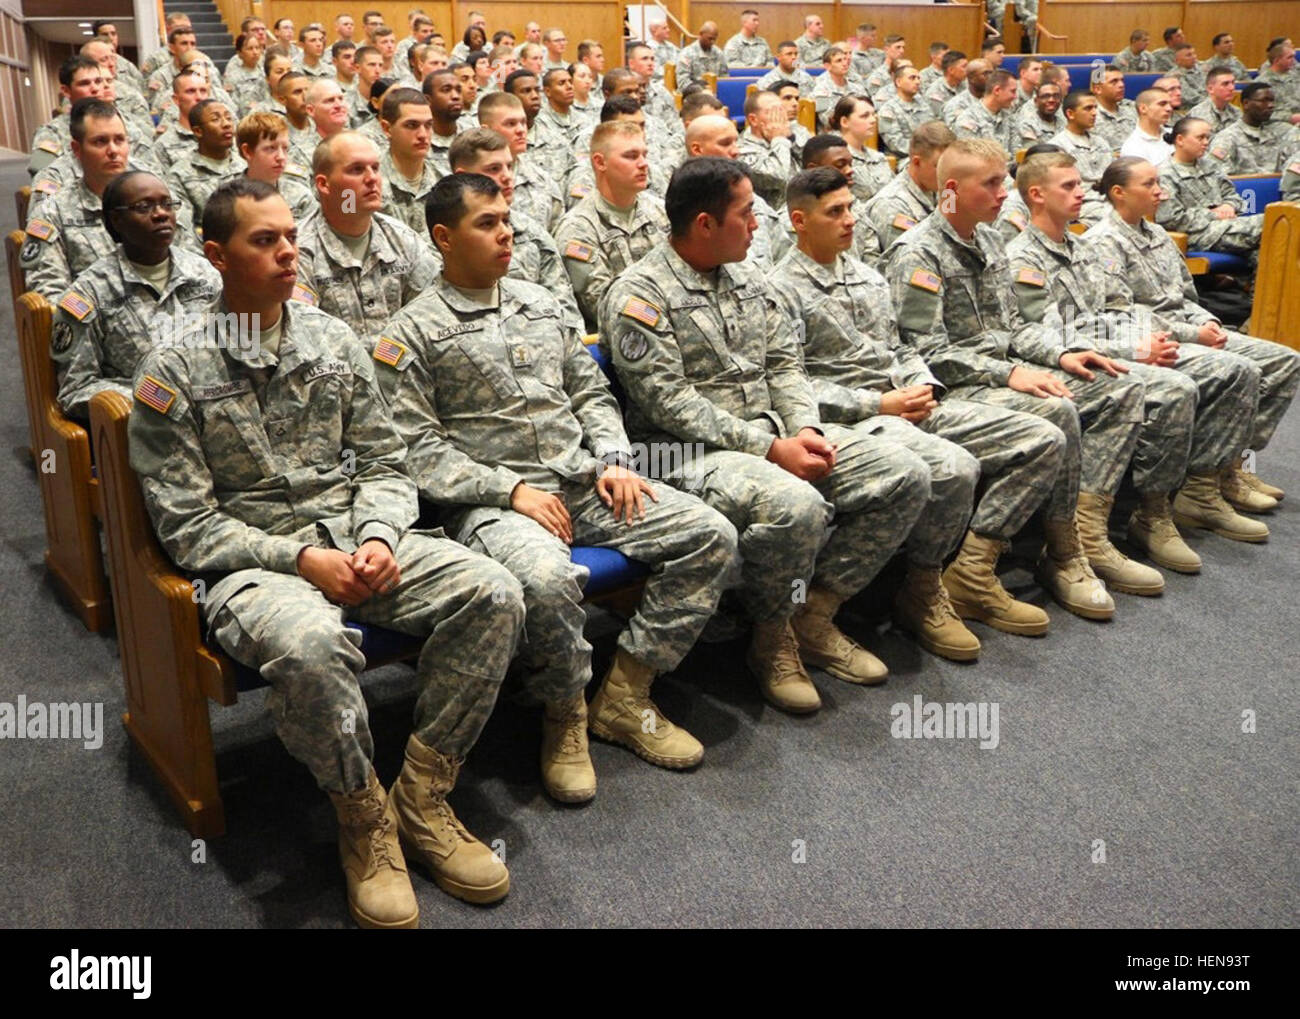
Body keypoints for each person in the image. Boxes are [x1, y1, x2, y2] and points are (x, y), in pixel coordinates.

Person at [129, 177, 527, 927]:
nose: (289, 251)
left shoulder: (331, 338)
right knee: (314, 643)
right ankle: (363, 817)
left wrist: (378, 534)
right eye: (265, 240)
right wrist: (299, 560)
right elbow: (188, 527)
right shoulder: (172, 370)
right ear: (215, 255)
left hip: (356, 536)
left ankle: (423, 796)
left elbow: (384, 462)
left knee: (493, 591)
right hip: (253, 566)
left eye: (290, 236)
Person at [375, 172, 738, 794]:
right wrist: (508, 491)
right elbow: (416, 450)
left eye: (507, 219)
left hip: (581, 480)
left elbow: (591, 393)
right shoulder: (407, 334)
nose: (506, 232)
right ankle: (564, 711)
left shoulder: (540, 305)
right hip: (493, 504)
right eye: (486, 224)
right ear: (442, 237)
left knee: (709, 534)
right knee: (546, 581)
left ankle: (626, 692)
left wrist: (616, 459)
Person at [602, 158, 932, 711]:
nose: (759, 224)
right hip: (677, 452)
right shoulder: (641, 294)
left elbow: (786, 366)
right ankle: (771, 634)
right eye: (747, 212)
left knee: (904, 474)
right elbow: (668, 403)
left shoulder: (751, 276)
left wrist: (804, 428)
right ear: (705, 224)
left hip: (775, 432)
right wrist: (770, 447)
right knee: (795, 505)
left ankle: (812, 613)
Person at [770, 168, 1067, 657]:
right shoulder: (779, 290)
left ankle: (964, 575)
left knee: (1042, 438)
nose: (850, 219)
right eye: (835, 212)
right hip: (853, 418)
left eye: (851, 207)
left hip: (908, 402)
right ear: (800, 221)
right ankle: (831, 605)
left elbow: (900, 347)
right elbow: (790, 383)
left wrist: (921, 379)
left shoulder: (866, 276)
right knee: (955, 468)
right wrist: (878, 402)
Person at [882, 138, 1146, 621]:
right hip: (956, 388)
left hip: (1003, 374)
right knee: (1057, 414)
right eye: (993, 183)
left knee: (1119, 387)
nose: (1005, 193)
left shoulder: (988, 239)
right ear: (954, 190)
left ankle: (1081, 538)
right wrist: (1010, 372)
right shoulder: (917, 254)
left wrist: (1062, 353)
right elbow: (924, 353)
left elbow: (1019, 326)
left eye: (1005, 180)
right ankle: (985, 570)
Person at [1007, 152, 1218, 585]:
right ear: (1036, 195)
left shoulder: (1083, 248)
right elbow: (1051, 332)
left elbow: (1117, 307)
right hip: (1051, 360)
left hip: (1105, 349)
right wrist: (1133, 350)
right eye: (1068, 186)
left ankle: (1154, 512)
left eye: (1079, 183)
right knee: (1164, 388)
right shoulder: (1022, 258)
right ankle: (1088, 534)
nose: (1081, 191)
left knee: (1180, 384)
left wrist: (1147, 339)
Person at [1083, 157, 1299, 520]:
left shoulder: (1157, 235)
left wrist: (1209, 322)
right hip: (1151, 336)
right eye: (1150, 184)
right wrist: (1191, 333)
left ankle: (1227, 466)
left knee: (1284, 359)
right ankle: (1199, 487)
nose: (1160, 191)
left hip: (1189, 326)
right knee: (1239, 370)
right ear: (1119, 193)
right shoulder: (1101, 242)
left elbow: (1187, 295)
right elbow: (1121, 312)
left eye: (1158, 183)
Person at [52, 171, 221, 422]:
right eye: (144, 207)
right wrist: (160, 400)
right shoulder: (89, 294)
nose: (161, 213)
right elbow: (76, 388)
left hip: (217, 411)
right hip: (146, 429)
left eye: (167, 204)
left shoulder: (204, 272)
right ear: (117, 219)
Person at [24, 99, 199, 303]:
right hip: (99, 325)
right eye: (100, 141)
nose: (113, 150)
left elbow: (193, 261)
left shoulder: (159, 200)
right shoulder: (53, 213)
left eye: (119, 140)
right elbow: (48, 292)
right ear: (77, 150)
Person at [294, 132, 439, 340]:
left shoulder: (404, 240)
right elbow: (304, 334)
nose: (372, 178)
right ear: (324, 184)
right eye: (356, 170)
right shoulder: (298, 249)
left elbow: (431, 316)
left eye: (375, 168)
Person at [447, 129, 584, 333]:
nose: (507, 177)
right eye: (494, 168)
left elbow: (565, 309)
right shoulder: (445, 242)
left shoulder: (533, 234)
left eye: (509, 166)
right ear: (463, 177)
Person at [555, 120, 669, 330]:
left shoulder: (662, 211)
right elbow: (604, 306)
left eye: (644, 154)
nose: (644, 163)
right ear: (600, 163)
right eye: (631, 156)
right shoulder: (578, 229)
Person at [1157, 118, 1263, 257]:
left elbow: (1232, 195)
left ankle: (1247, 279)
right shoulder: (1164, 174)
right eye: (1200, 138)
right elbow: (1171, 219)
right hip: (1195, 236)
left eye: (1207, 137)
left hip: (1226, 226)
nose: (1206, 143)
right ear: (1180, 139)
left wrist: (1229, 206)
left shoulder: (1210, 165)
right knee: (1270, 226)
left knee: (1269, 246)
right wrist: (1214, 214)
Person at [863, 120, 954, 250]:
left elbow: (955, 231)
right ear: (917, 162)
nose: (948, 173)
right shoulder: (890, 205)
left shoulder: (946, 190)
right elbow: (905, 261)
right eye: (940, 166)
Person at [165, 99, 243, 226]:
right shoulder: (179, 175)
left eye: (229, 118)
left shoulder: (246, 165)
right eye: (215, 119)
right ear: (198, 131)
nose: (226, 124)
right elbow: (185, 229)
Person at [376, 88, 439, 241]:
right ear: (386, 128)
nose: (423, 135)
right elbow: (345, 219)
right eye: (412, 125)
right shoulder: (363, 181)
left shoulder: (444, 180)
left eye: (428, 125)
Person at [236, 111, 316, 219]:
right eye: (270, 148)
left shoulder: (301, 196)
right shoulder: (228, 199)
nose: (281, 157)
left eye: (285, 148)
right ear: (247, 151)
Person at [1049, 92, 1111, 225]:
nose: (1094, 113)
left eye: (1095, 108)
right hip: (1081, 204)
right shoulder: (1058, 146)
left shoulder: (1101, 142)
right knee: (1115, 218)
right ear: (1070, 114)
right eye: (1088, 108)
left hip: (1108, 200)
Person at [1206, 84, 1296, 174]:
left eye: (1272, 101)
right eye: (1263, 101)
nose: (1270, 105)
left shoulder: (1279, 132)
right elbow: (1219, 176)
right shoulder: (1227, 137)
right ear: (1246, 104)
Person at [737, 88, 796, 210]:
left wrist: (791, 138)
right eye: (773, 112)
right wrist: (779, 140)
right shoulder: (741, 151)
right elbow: (779, 178)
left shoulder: (790, 131)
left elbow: (812, 162)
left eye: (781, 111)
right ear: (753, 120)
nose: (781, 117)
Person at [826, 96, 891, 204]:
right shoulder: (835, 160)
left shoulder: (879, 157)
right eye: (865, 116)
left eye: (873, 114)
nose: (873, 120)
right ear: (845, 122)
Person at [876, 63, 929, 157]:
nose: (917, 82)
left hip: (927, 154)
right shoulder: (888, 110)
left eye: (918, 78)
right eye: (912, 78)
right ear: (898, 82)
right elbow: (896, 145)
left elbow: (933, 131)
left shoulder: (923, 103)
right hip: (903, 158)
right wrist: (925, 151)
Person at [1119, 89, 1175, 163]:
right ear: (1143, 109)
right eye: (1162, 104)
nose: (1169, 109)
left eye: (1170, 104)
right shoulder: (1133, 147)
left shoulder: (1176, 133)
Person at [1090, 65, 1137, 152]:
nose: (1121, 85)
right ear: (1098, 89)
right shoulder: (1089, 115)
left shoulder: (1132, 108)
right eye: (1114, 82)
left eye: (1122, 80)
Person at [1187, 67, 1241, 137]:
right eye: (1225, 84)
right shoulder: (1198, 114)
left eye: (1233, 83)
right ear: (1210, 89)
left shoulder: (1236, 112)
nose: (1231, 88)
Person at [1015, 80, 1065, 145]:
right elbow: (1033, 152)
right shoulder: (1028, 123)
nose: (1051, 100)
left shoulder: (1064, 121)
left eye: (1056, 96)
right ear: (1036, 101)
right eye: (1046, 96)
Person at [924, 49, 967, 119]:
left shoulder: (966, 84)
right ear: (951, 70)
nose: (967, 70)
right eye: (964, 66)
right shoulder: (934, 93)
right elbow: (940, 120)